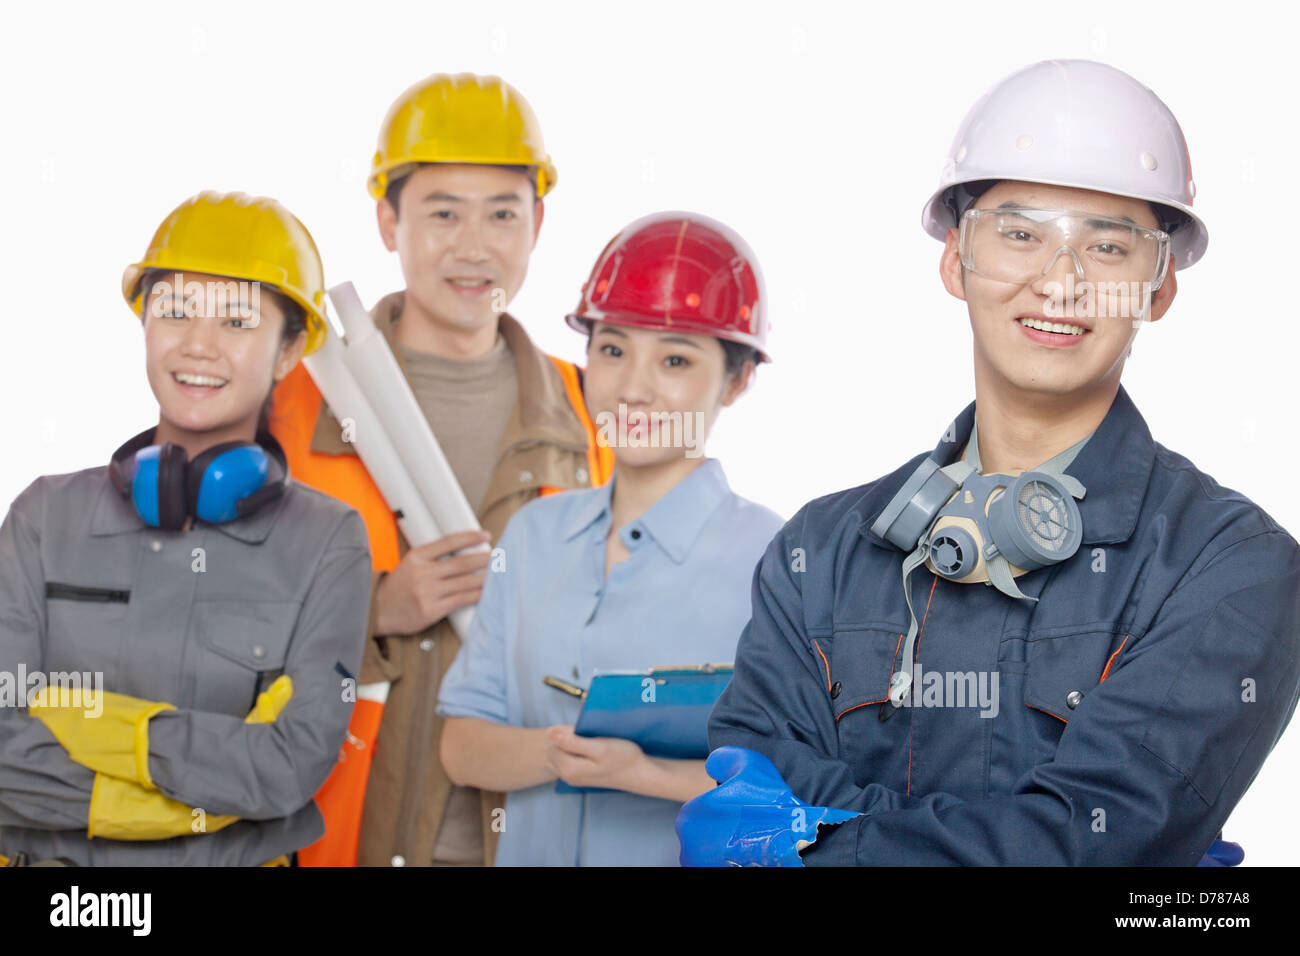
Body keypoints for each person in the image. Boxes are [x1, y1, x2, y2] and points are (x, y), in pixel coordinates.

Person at [679, 59, 1300, 866]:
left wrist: (820, 841)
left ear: (1157, 288)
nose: (1059, 281)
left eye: (1109, 247)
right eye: (1019, 234)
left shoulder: (1233, 568)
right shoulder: (820, 553)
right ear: (955, 261)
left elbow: (1098, 840)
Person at [269, 72, 614, 867]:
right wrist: (375, 610)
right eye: (442, 212)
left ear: (538, 223)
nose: (474, 246)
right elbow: (210, 623)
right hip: (337, 834)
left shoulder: (589, 413)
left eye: (502, 213)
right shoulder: (293, 405)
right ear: (388, 221)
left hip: (532, 835)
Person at [0, 191, 370, 866]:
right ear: (144, 321)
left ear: (289, 352)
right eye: (174, 312)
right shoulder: (41, 519)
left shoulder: (328, 542)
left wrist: (97, 730)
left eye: (237, 321)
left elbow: (291, 765)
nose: (199, 345)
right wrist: (186, 797)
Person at [436, 211, 785, 866]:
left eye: (676, 359)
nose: (633, 388)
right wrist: (552, 751)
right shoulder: (535, 534)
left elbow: (791, 783)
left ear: (738, 381)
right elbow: (461, 744)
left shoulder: (780, 560)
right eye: (614, 349)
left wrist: (637, 772)